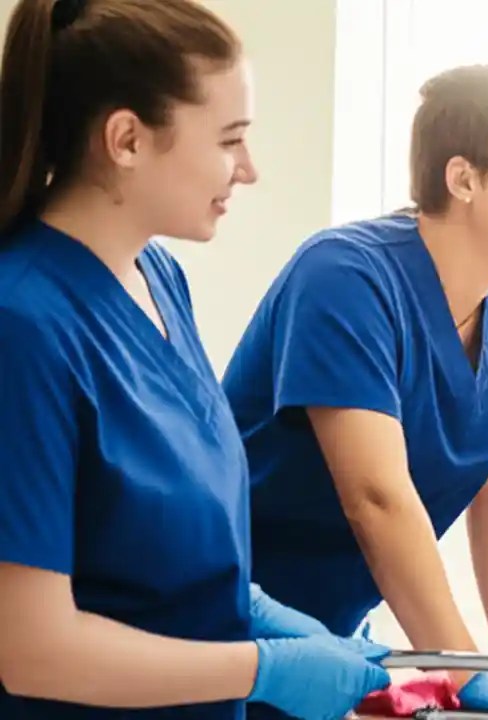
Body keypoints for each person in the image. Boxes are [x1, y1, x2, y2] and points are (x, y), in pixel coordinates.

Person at [0, 1, 391, 719]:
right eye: (230, 139)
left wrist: (255, 610)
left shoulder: (158, 278)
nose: (250, 169)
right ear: (126, 139)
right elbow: (31, 649)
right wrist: (260, 669)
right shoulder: (22, 325)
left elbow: (157, 543)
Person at [219, 65, 488, 718]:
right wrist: (462, 669)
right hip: (224, 624)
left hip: (335, 634)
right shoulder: (344, 276)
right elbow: (376, 498)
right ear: (463, 178)